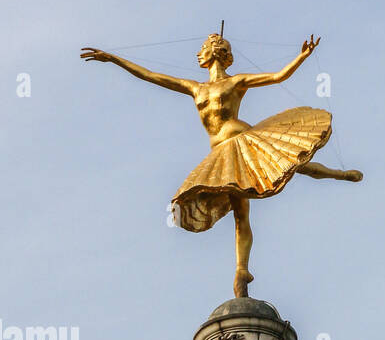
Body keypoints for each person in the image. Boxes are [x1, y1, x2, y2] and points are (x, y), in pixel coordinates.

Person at [81, 32, 362, 296]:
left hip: (242, 138)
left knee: (293, 162)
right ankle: (242, 270)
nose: (198, 54)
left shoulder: (235, 82)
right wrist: (114, 59)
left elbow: (277, 77)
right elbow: (152, 76)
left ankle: (339, 174)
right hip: (222, 153)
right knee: (242, 214)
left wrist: (302, 56)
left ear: (216, 52)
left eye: (203, 48)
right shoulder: (194, 88)